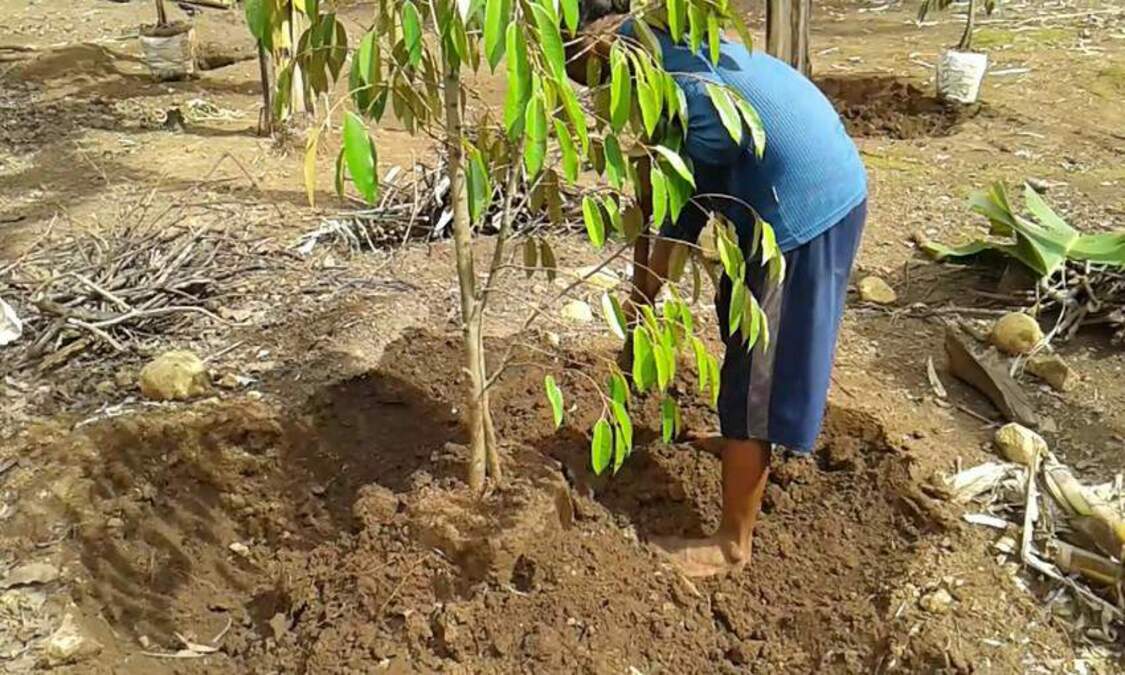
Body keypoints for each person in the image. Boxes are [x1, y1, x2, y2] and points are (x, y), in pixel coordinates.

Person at [567, 9, 868, 578]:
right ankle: (739, 445)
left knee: (759, 374)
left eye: (599, 83)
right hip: (798, 192)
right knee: (743, 331)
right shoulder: (673, 52)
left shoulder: (686, 95)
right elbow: (667, 202)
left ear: (610, 59)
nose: (606, 99)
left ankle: (733, 544)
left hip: (803, 215)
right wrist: (643, 293)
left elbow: (676, 215)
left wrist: (643, 300)